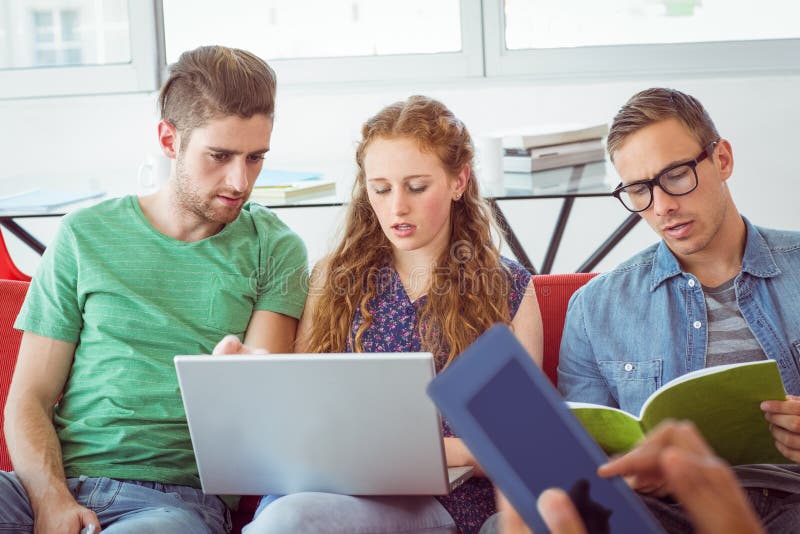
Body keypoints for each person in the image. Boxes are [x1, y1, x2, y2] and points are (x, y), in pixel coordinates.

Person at [0, 45, 308, 533]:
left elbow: (259, 413)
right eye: (220, 156)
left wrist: (246, 381)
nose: (240, 180)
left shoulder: (275, 249)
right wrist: (50, 500)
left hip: (175, 504)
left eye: (255, 158)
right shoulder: (84, 235)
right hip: (52, 484)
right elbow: (30, 398)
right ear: (170, 139)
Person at [216, 95, 543, 533]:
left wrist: (437, 454)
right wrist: (258, 377)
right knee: (288, 516)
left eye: (417, 187)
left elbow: (521, 443)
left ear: (459, 180)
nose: (397, 208)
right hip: (342, 489)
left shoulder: (508, 287)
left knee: (292, 520)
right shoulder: (333, 278)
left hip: (453, 502)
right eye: (381, 188)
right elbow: (306, 413)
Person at [557, 87, 800, 531]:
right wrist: (625, 471)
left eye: (675, 175)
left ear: (722, 159)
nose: (663, 206)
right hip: (663, 511)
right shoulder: (595, 308)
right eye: (640, 190)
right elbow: (582, 458)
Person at [491, 421, 765, 534]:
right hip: (647, 499)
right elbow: (587, 430)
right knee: (506, 523)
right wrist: (620, 469)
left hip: (776, 489)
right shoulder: (592, 309)